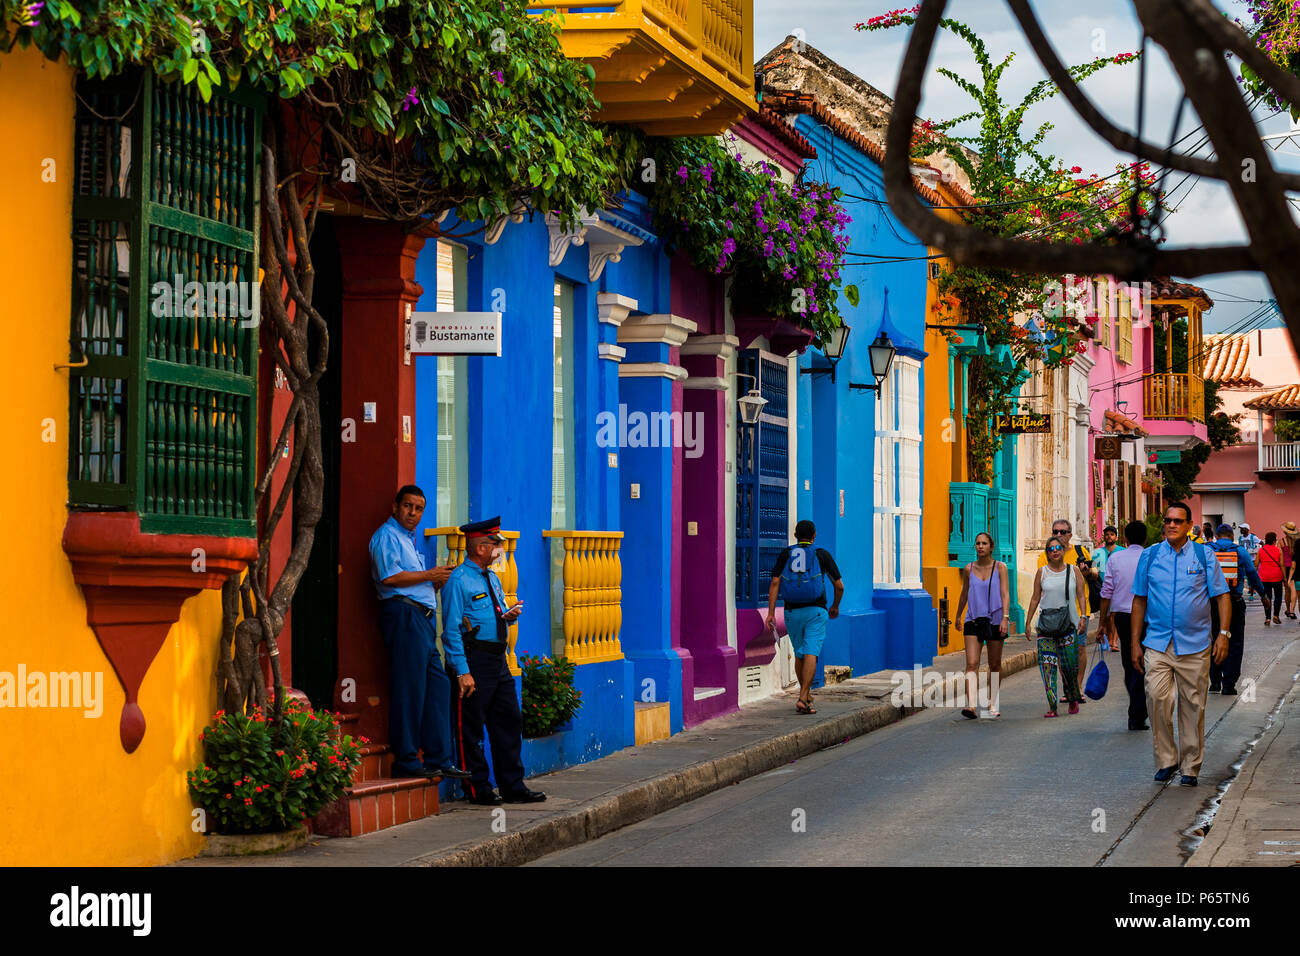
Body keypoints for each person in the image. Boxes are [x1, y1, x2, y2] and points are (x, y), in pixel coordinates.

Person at [368, 485, 471, 781]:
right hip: (404, 615)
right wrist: (429, 575)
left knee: (438, 686)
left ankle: (439, 757)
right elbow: (388, 577)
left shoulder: (408, 540)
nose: (413, 513)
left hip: (423, 619)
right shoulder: (386, 536)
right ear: (395, 506)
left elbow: (410, 578)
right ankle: (407, 760)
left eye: (418, 509)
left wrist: (434, 582)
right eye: (408, 507)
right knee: (409, 689)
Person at [441, 515, 544, 805]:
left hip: (498, 661)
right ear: (480, 548)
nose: (499, 549)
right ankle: (477, 789)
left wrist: (506, 617)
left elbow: (492, 614)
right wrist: (462, 671)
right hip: (474, 660)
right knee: (471, 727)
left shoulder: (493, 578)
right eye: (494, 544)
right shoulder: (458, 581)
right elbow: (450, 631)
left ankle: (513, 786)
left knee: (509, 721)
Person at [1130, 502, 1231, 787]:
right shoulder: (1150, 557)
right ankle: (1167, 760)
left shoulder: (1203, 555)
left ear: (1189, 525)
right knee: (1157, 699)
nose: (1171, 525)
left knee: (1192, 705)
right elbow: (1139, 599)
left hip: (1195, 644)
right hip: (1158, 643)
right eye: (1168, 520)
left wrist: (1223, 633)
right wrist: (1135, 643)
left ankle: (1190, 767)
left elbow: (1221, 595)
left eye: (1178, 521)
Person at [766, 519, 844, 715]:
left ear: (795, 535)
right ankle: (803, 696)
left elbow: (775, 583)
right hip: (816, 611)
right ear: (814, 536)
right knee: (811, 651)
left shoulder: (786, 554)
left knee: (800, 652)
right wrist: (835, 606)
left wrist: (770, 612)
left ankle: (806, 695)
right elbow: (839, 586)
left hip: (792, 612)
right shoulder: (821, 555)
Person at [1025, 537, 1090, 717]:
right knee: (1047, 666)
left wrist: (1083, 617)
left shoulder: (1073, 570)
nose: (1055, 551)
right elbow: (1035, 597)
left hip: (1068, 624)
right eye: (1050, 548)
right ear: (1047, 552)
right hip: (1046, 625)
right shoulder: (1042, 572)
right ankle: (1052, 706)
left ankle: (1072, 697)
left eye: (1058, 548)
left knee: (1069, 666)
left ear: (1063, 550)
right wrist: (1028, 621)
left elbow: (1081, 596)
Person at [1098, 520, 1150, 731]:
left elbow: (1106, 592)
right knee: (1146, 661)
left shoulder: (1116, 558)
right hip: (1149, 616)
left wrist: (1102, 622)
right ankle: (1138, 710)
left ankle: (1136, 710)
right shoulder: (1152, 556)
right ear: (1145, 539)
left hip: (1123, 618)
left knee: (1130, 663)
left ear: (1125, 539)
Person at [953, 532, 1011, 719]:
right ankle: (971, 706)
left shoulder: (1000, 568)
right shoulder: (969, 569)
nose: (980, 546)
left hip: (995, 619)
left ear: (991, 547)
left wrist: (1005, 618)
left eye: (984, 543)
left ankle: (992, 702)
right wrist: (958, 616)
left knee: (994, 664)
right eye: (977, 543)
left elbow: (1005, 594)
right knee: (971, 663)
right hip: (973, 619)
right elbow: (964, 593)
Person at [1207, 523, 1264, 695]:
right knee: (1235, 642)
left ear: (1216, 536)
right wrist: (1264, 595)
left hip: (1212, 603)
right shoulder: (1240, 551)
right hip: (1235, 601)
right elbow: (1252, 574)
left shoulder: (1207, 550)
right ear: (1232, 536)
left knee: (1213, 638)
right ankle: (1229, 684)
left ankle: (1214, 682)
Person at [1038, 519, 1095, 685]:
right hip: (1055, 613)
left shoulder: (1080, 551)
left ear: (1070, 535)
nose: (1058, 535)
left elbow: (1093, 575)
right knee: (1061, 652)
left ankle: (1077, 686)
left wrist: (1087, 572)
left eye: (1062, 532)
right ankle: (1068, 685)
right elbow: (1041, 584)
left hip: (1078, 610)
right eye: (1055, 532)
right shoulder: (1044, 556)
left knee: (1080, 649)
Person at [1091, 525, 1122, 647]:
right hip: (1102, 588)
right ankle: (1110, 638)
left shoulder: (1122, 551)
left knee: (1114, 614)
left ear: (1116, 537)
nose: (1109, 536)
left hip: (1119, 588)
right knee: (1107, 616)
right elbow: (1093, 569)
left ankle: (1114, 641)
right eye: (1107, 534)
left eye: (1112, 534)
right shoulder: (1097, 553)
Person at [1257, 531, 1286, 626]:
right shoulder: (1278, 550)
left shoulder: (1261, 550)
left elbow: (1256, 564)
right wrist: (1285, 577)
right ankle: (1276, 616)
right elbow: (1282, 565)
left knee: (1267, 597)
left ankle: (1268, 618)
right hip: (1277, 577)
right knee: (1278, 596)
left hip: (1264, 577)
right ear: (1274, 540)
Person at [1239, 523, 1262, 601]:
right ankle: (1241, 593)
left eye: (1242, 528)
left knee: (1251, 577)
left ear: (1247, 529)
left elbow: (1262, 543)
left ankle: (1252, 593)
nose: (1241, 530)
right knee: (1242, 577)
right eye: (1240, 528)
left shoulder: (1253, 537)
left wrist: (1260, 552)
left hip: (1252, 559)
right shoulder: (1240, 538)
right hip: (1243, 560)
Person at [1284, 520, 1300, 619]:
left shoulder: (1282, 541)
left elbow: (1280, 556)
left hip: (1289, 568)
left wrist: (1289, 577)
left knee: (1289, 591)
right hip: (1295, 567)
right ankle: (1292, 610)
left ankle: (1290, 610)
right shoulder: (1297, 540)